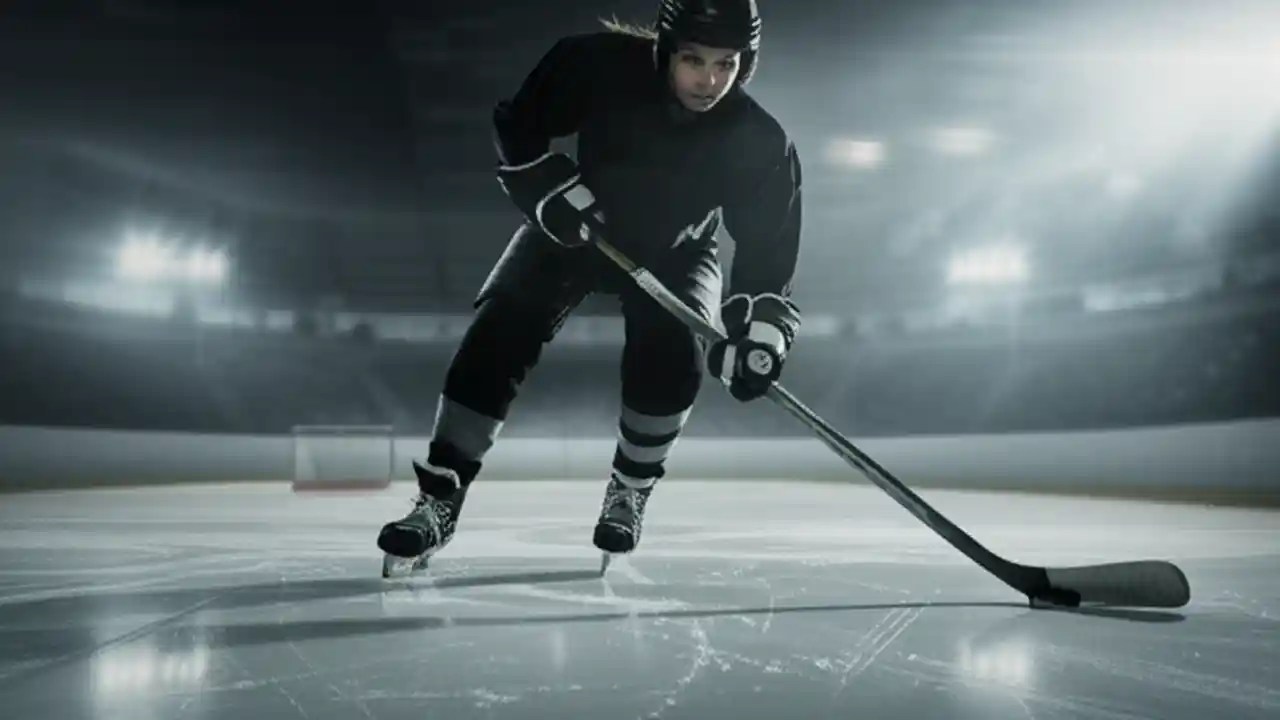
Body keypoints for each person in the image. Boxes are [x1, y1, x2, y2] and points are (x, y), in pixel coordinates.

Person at [377, 0, 804, 565]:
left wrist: (758, 337)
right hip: (581, 226)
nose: (709, 81)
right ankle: (439, 500)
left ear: (744, 64)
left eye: (727, 64)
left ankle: (630, 489)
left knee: (674, 352)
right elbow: (520, 122)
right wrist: (544, 188)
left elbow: (767, 250)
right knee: (501, 324)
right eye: (694, 60)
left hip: (680, 250)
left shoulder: (758, 140)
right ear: (664, 49)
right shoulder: (597, 66)